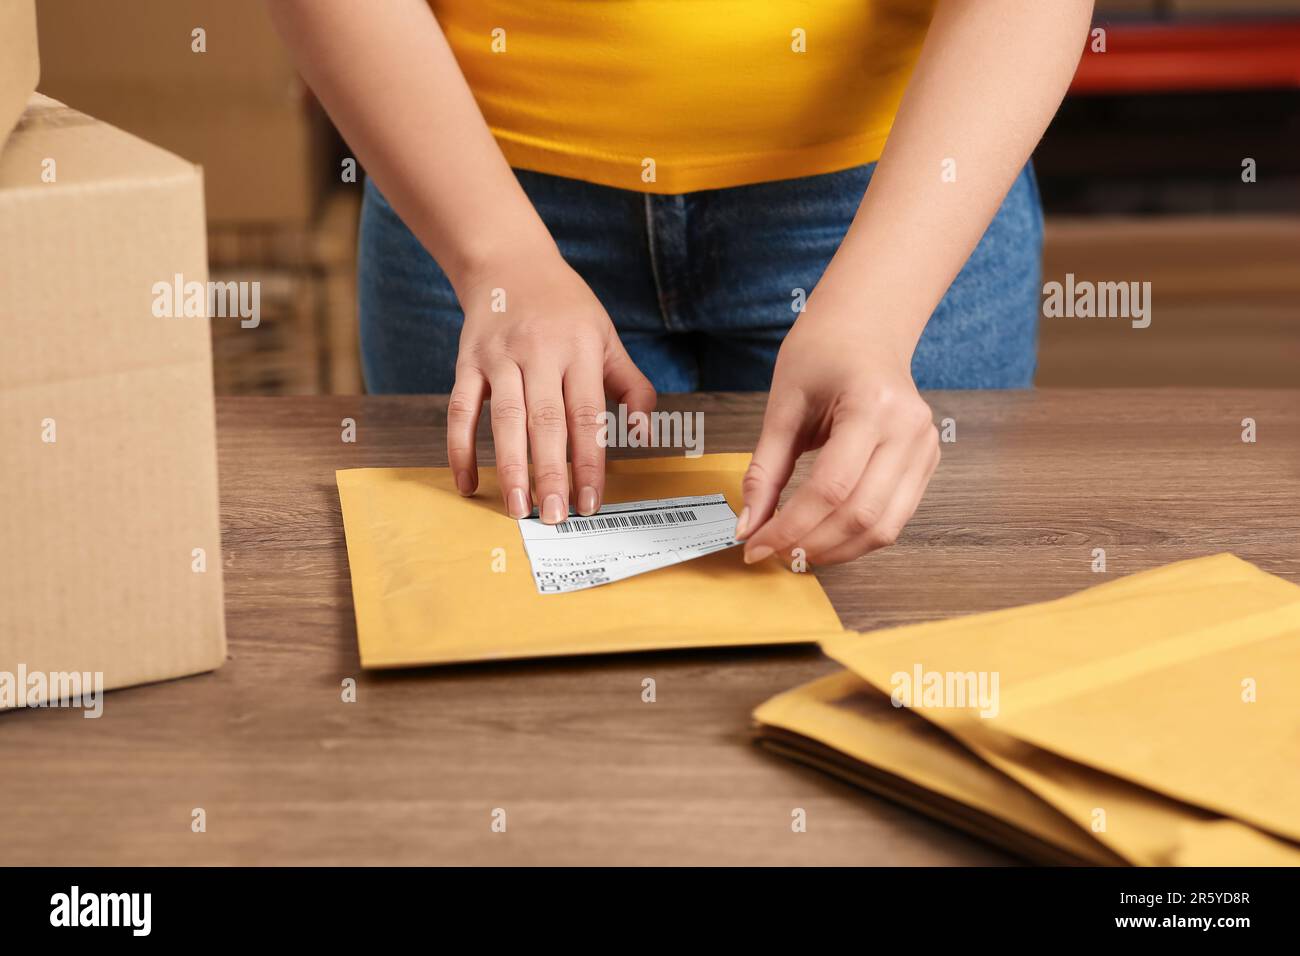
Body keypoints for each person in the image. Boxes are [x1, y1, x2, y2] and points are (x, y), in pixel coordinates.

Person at [268, 0, 1093, 565]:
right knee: (496, 684)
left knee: (906, 672)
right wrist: (496, 257)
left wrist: (875, 316)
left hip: (894, 202)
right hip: (474, 186)